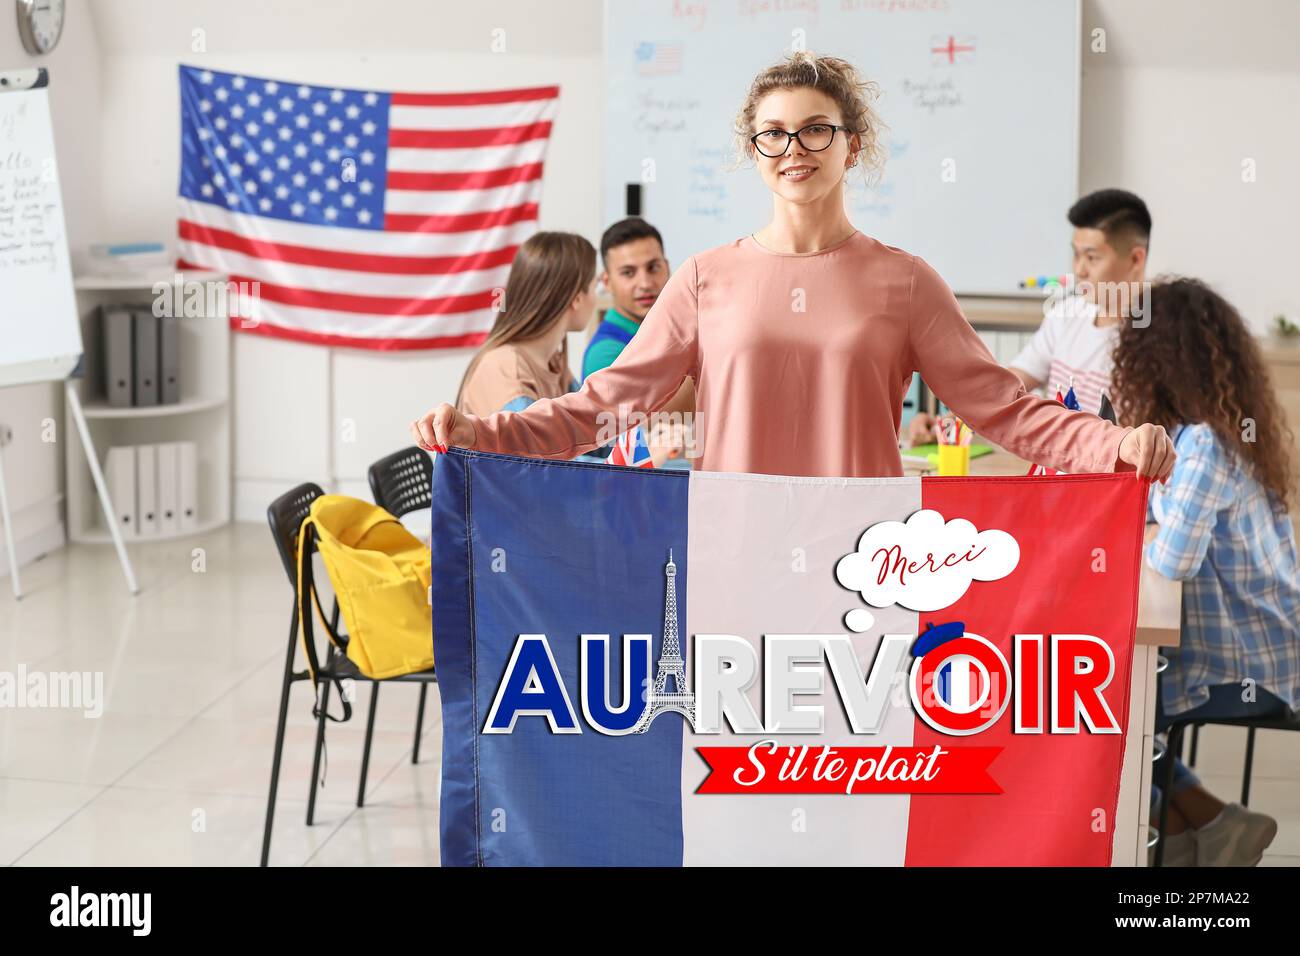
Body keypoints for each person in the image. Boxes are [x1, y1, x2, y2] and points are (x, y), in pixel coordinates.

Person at [413, 51, 1175, 486]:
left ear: (853, 144)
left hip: (865, 558)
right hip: (732, 549)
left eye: (816, 129)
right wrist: (483, 432)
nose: (794, 149)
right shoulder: (706, 279)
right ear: (753, 151)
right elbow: (603, 404)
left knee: (854, 767)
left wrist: (1115, 445)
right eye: (773, 134)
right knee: (742, 768)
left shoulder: (905, 283)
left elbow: (1004, 408)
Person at [1111, 277, 1299, 866]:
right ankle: (1213, 826)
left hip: (1258, 667)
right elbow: (1163, 525)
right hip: (1258, 645)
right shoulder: (1210, 432)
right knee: (1111, 697)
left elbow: (1172, 557)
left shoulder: (1207, 448)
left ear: (1157, 363)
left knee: (1104, 704)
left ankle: (1184, 834)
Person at [908, 188, 1151, 445]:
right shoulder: (1065, 316)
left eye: (1092, 257)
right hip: (1056, 474)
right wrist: (945, 424)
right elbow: (1004, 391)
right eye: (1076, 254)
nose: (1079, 269)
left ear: (1136, 259)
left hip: (1112, 479)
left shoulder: (1159, 337)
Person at [585, 217, 695, 465]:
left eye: (653, 267)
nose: (645, 283)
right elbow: (644, 433)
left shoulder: (671, 333)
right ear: (606, 282)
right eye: (628, 273)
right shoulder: (606, 352)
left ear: (667, 267)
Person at [455, 231, 595, 419]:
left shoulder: (554, 362)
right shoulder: (506, 368)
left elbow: (590, 428)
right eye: (594, 287)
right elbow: (537, 444)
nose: (596, 298)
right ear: (577, 299)